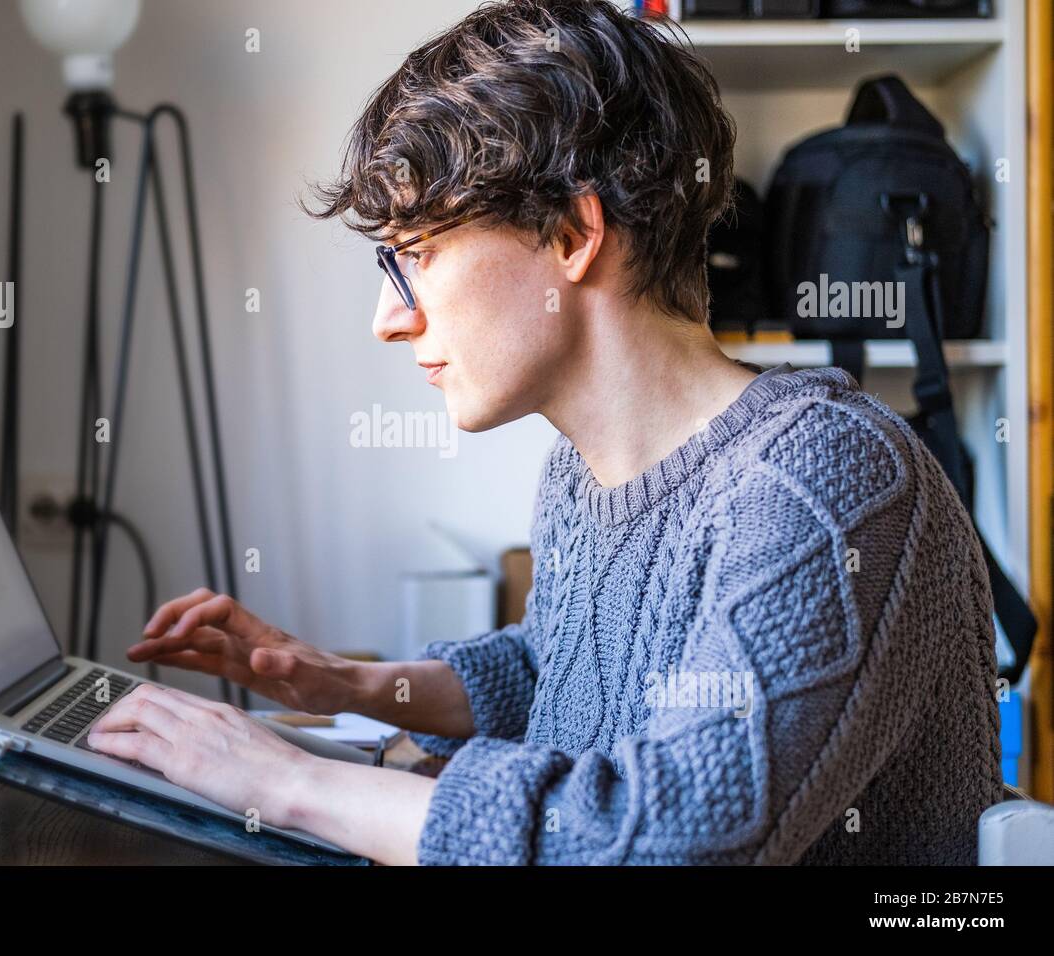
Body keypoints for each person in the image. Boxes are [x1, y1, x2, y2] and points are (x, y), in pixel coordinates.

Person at [88, 0, 1003, 865]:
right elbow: (559, 671)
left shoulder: (824, 477)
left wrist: (285, 781)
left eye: (417, 255)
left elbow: (672, 838)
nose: (388, 318)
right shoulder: (578, 474)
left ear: (573, 231)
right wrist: (345, 684)